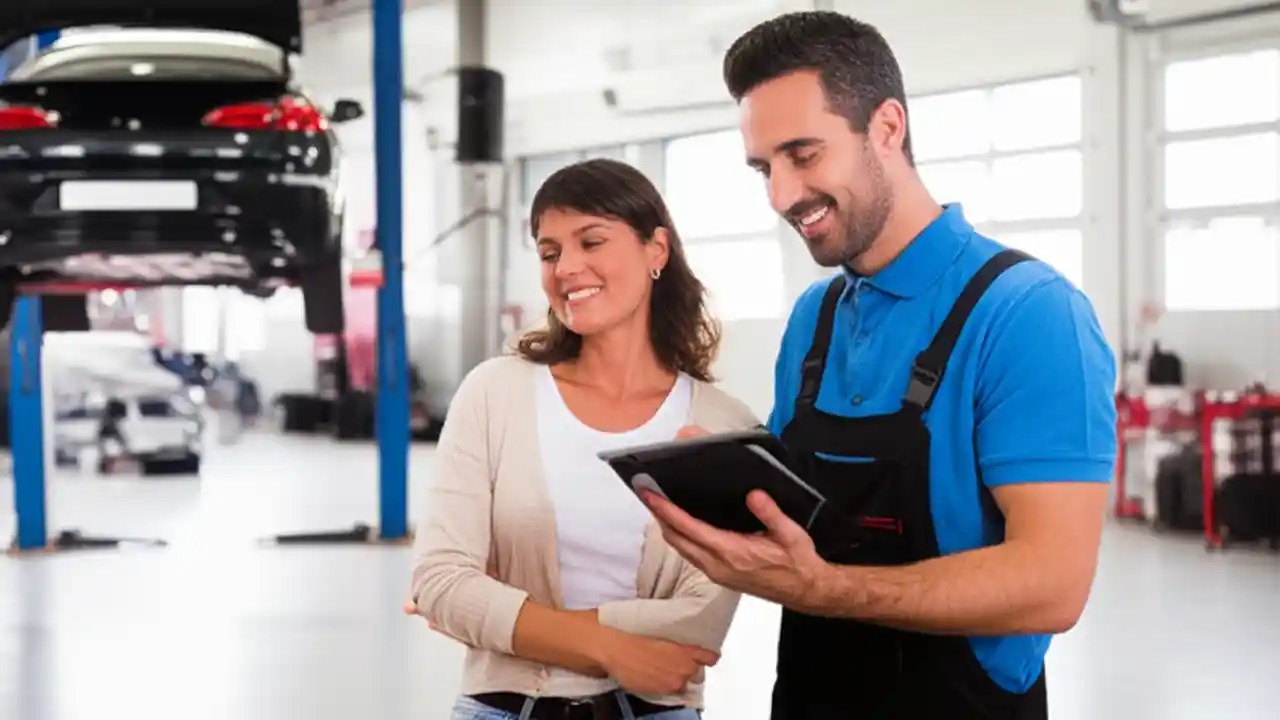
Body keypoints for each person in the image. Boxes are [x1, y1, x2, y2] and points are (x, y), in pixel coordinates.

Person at [641, 11, 1118, 720]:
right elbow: (802, 515)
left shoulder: (1028, 313)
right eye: (763, 168)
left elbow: (1053, 584)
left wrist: (825, 588)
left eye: (803, 155)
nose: (780, 195)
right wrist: (718, 493)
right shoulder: (815, 316)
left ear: (887, 128)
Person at [406, 158, 760, 720]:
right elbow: (442, 581)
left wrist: (500, 615)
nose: (567, 267)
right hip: (502, 709)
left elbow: (698, 623)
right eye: (550, 253)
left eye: (591, 242)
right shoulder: (495, 394)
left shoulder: (724, 428)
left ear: (656, 251)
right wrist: (611, 646)